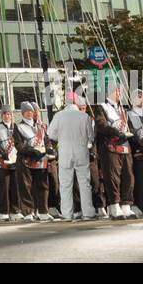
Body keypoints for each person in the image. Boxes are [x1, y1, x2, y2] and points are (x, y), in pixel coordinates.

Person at [47, 93, 94, 221]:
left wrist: (61, 139)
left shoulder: (58, 116)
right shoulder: (84, 116)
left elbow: (51, 134)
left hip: (65, 152)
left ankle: (67, 213)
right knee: (84, 183)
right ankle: (88, 212)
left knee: (65, 184)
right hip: (81, 151)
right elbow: (91, 136)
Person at [96, 83, 135, 219]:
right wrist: (116, 132)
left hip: (125, 146)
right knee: (113, 177)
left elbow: (128, 126)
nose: (120, 93)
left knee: (128, 176)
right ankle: (114, 206)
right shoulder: (102, 107)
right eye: (118, 90)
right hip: (111, 147)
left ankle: (126, 205)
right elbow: (101, 125)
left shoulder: (122, 109)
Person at [16, 102, 53, 220]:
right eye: (27, 112)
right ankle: (28, 212)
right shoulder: (18, 127)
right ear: (22, 113)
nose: (30, 114)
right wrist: (31, 150)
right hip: (26, 160)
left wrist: (49, 150)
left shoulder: (40, 126)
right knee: (26, 187)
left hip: (41, 158)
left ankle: (43, 211)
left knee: (43, 185)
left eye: (31, 111)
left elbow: (46, 140)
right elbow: (19, 145)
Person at [0, 107, 22, 221]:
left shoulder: (16, 126)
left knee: (15, 187)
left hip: (16, 159)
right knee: (4, 188)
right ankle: (4, 212)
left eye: (9, 114)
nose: (7, 116)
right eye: (5, 114)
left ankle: (15, 211)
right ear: (2, 115)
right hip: (3, 161)